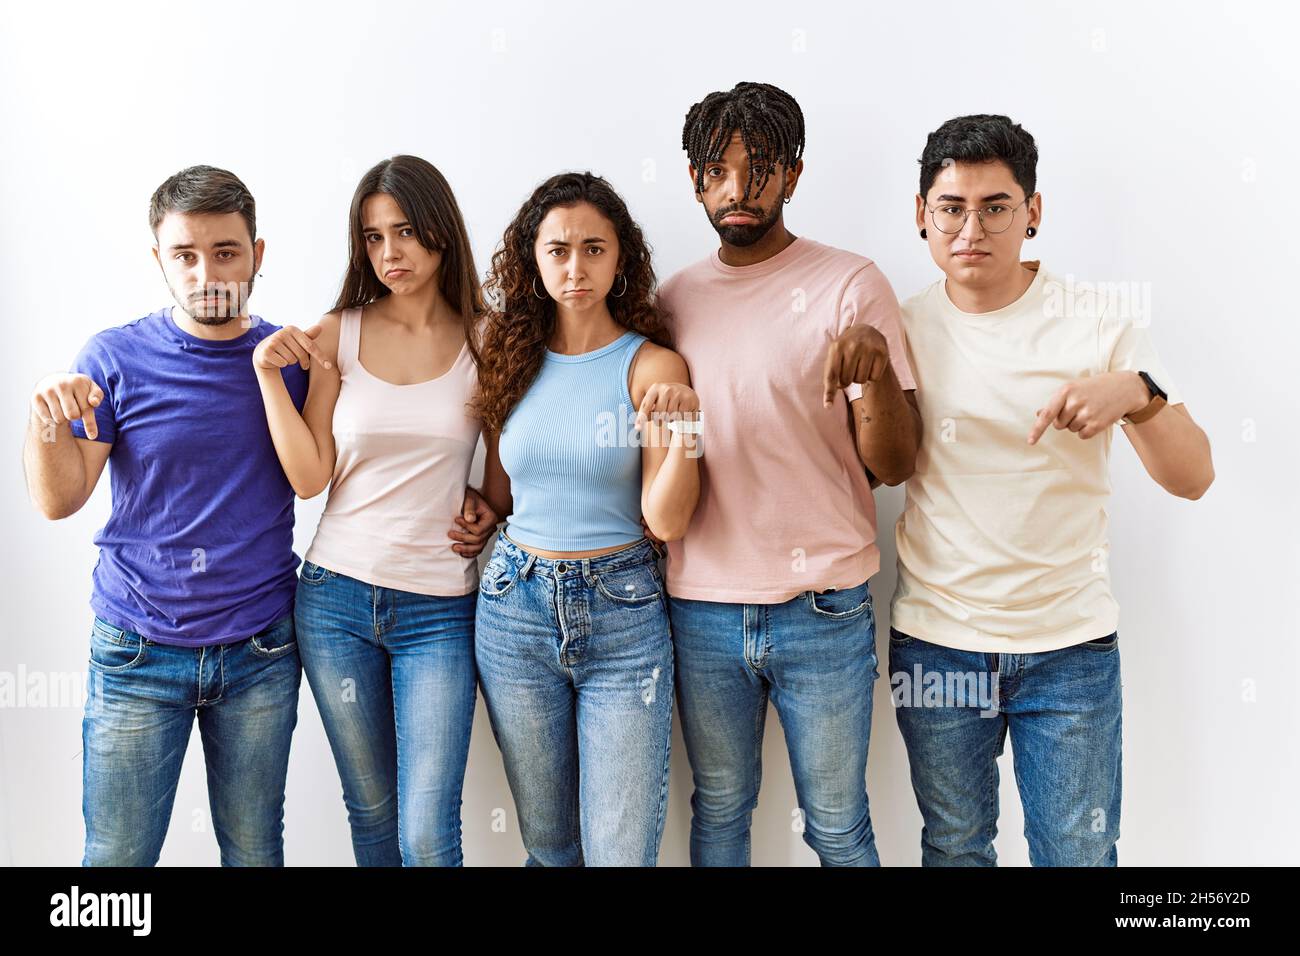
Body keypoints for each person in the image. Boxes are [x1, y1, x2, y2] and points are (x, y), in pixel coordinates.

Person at [890, 113, 1215, 866]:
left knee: (1077, 852)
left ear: (1033, 213)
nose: (972, 228)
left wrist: (1138, 393)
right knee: (955, 848)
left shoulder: (1098, 321)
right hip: (939, 643)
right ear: (921, 216)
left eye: (996, 207)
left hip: (1069, 647)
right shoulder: (900, 328)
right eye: (951, 207)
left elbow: (1193, 478)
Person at [657, 81, 921, 866]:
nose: (738, 190)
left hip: (824, 608)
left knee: (837, 823)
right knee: (721, 811)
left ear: (794, 176)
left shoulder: (851, 284)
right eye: (718, 171)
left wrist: (874, 377)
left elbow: (897, 465)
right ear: (695, 179)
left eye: (760, 168)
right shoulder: (672, 299)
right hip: (701, 606)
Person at [23, 165, 306, 866]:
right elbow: (59, 501)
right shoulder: (112, 358)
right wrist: (42, 421)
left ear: (258, 255)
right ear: (159, 259)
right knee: (117, 858)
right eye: (184, 254)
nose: (205, 271)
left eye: (226, 252)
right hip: (137, 650)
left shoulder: (290, 361)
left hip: (260, 651)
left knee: (254, 851)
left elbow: (335, 470)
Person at [252, 155, 498, 866]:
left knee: (427, 830)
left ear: (441, 234)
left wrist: (490, 508)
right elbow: (310, 478)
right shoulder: (339, 334)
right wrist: (270, 378)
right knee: (373, 814)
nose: (390, 253)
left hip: (441, 609)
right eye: (373, 237)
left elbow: (508, 471)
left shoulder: (488, 339)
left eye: (406, 232)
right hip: (335, 601)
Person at [472, 171, 701, 866]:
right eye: (559, 250)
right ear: (531, 259)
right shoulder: (503, 353)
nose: (576, 268)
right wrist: (478, 512)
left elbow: (667, 521)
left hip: (623, 609)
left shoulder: (652, 365)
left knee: (620, 853)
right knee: (548, 847)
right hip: (513, 606)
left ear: (620, 258)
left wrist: (685, 433)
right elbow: (505, 488)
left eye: (594, 249)